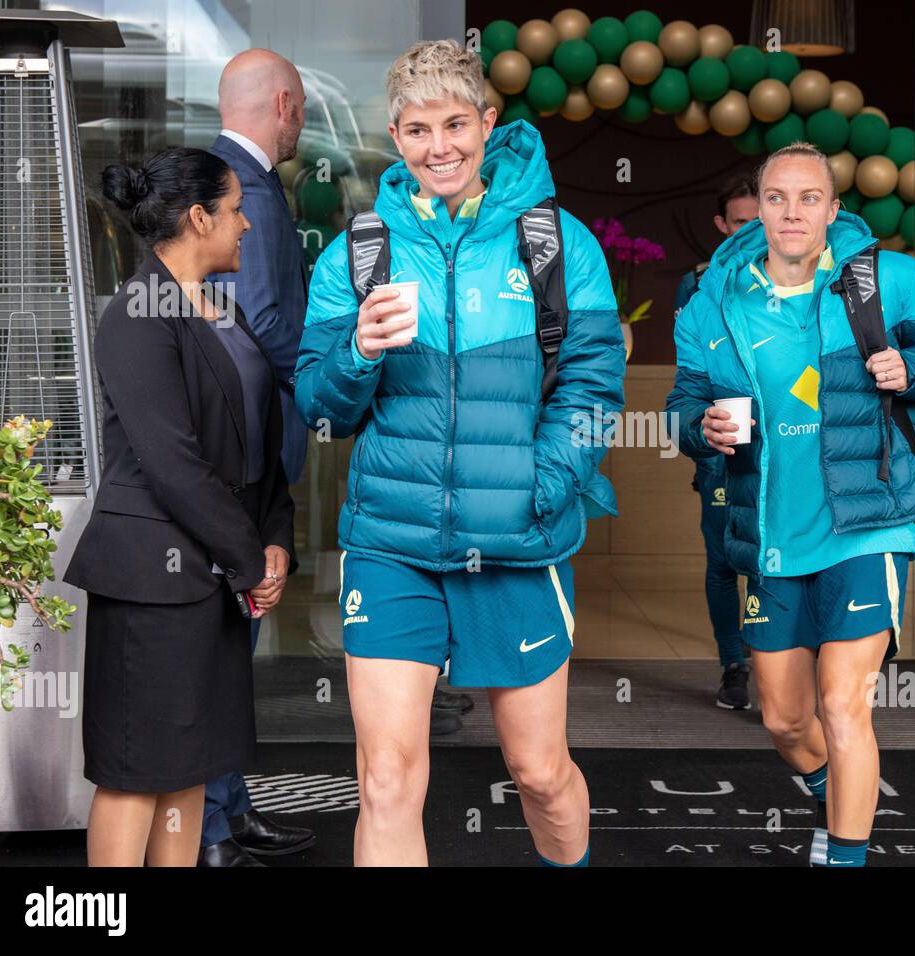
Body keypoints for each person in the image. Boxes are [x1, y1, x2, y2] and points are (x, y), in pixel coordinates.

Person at [294, 39, 624, 867]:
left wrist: (539, 487)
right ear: (394, 138)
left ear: (487, 122)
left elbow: (593, 392)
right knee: (388, 782)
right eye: (415, 129)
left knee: (540, 772)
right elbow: (318, 404)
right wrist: (356, 354)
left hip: (518, 542)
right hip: (391, 544)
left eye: (454, 124)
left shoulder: (555, 242)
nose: (438, 147)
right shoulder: (360, 251)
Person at [666, 142, 915, 867]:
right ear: (758, 208)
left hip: (869, 523)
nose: (793, 212)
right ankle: (838, 794)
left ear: (834, 209)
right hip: (771, 532)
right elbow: (683, 401)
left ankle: (844, 852)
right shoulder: (713, 301)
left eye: (809, 198)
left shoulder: (884, 280)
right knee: (782, 716)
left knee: (842, 704)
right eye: (777, 198)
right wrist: (697, 428)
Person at [64, 147, 297, 866]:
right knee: (138, 776)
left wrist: (276, 536)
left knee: (190, 765)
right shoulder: (137, 313)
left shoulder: (220, 309)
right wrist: (248, 557)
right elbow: (172, 464)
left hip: (216, 577)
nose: (247, 227)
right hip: (153, 585)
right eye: (235, 210)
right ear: (199, 218)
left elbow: (259, 436)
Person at [197, 47, 315, 868]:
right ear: (283, 103)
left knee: (231, 635)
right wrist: (324, 385)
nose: (301, 118)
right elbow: (267, 319)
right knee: (219, 636)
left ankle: (228, 812)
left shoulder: (212, 176)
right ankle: (211, 825)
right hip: (248, 442)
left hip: (231, 441)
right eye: (301, 105)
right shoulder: (254, 193)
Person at [673, 173, 760, 710]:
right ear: (721, 226)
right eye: (742, 223)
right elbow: (691, 381)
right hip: (725, 444)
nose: (753, 232)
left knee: (776, 563)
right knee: (724, 561)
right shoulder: (699, 286)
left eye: (761, 221)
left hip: (788, 447)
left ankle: (785, 673)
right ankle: (735, 666)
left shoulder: (798, 279)